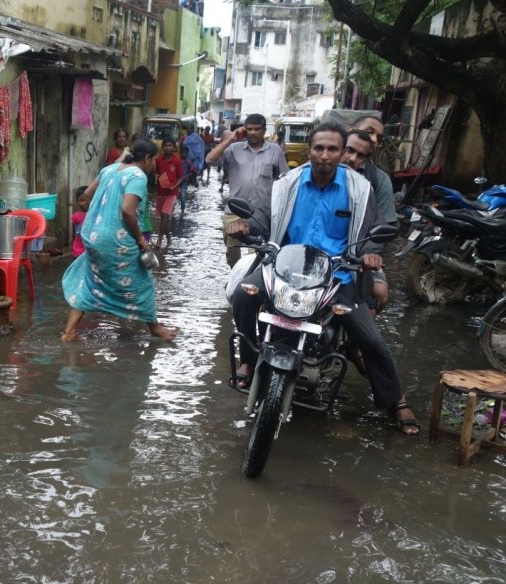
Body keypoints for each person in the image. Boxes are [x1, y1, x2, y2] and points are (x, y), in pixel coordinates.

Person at [228, 123, 420, 436]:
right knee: (243, 296)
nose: (325, 155)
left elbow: (375, 230)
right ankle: (249, 359)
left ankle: (395, 400)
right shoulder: (287, 183)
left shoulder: (359, 189)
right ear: (310, 150)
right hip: (284, 269)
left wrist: (371, 253)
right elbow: (264, 215)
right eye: (319, 148)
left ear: (342, 153)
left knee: (369, 338)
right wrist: (246, 225)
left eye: (333, 149)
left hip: (339, 275)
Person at [61, 139, 179, 342]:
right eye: (153, 161)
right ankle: (155, 328)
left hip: (92, 234)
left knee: (91, 282)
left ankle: (69, 332)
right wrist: (141, 239)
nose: (153, 166)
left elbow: (88, 194)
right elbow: (127, 211)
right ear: (148, 158)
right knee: (142, 284)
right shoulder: (138, 176)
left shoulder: (110, 169)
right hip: (114, 239)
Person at [206, 113, 287, 267]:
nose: (253, 132)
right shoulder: (234, 148)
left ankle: (250, 284)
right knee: (232, 252)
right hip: (234, 212)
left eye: (257, 129)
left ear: (264, 131)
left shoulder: (275, 150)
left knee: (257, 253)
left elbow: (284, 179)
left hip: (261, 213)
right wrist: (231, 138)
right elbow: (210, 160)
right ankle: (235, 277)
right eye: (249, 129)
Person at [343, 129, 395, 311]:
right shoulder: (313, 174)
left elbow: (383, 224)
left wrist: (370, 253)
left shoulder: (375, 182)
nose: (352, 159)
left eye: (359, 155)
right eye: (349, 150)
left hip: (359, 253)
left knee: (378, 294)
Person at [154, 136, 184, 250]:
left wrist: (174, 185)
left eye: (170, 145)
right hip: (161, 191)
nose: (167, 148)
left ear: (174, 148)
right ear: (162, 147)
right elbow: (156, 173)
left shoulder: (177, 161)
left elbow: (181, 177)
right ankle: (169, 238)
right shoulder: (158, 160)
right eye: (165, 145)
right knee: (163, 216)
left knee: (165, 215)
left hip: (172, 193)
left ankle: (159, 239)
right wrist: (158, 179)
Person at [178, 144, 199, 216]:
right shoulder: (177, 161)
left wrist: (194, 180)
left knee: (183, 196)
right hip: (176, 182)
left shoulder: (188, 162)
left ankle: (182, 210)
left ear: (187, 153)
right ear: (179, 152)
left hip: (184, 182)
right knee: (174, 197)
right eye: (182, 152)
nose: (184, 154)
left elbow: (193, 171)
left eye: (185, 153)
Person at [70, 185, 89, 258]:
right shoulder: (75, 216)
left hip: (89, 251)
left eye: (87, 200)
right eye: (82, 200)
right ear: (77, 201)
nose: (85, 203)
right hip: (78, 251)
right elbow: (74, 234)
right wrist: (73, 247)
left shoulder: (94, 215)